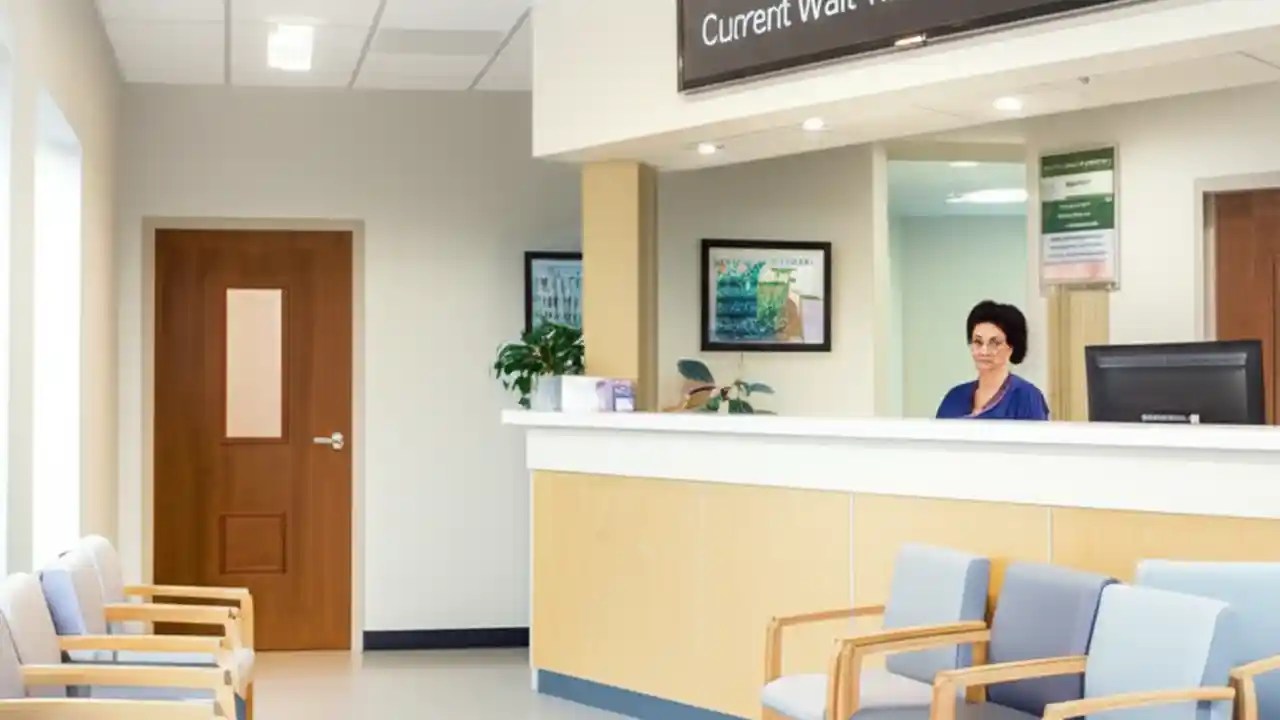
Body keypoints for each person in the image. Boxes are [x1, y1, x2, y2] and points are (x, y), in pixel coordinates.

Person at [936, 300, 1050, 420]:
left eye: (994, 343)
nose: (984, 351)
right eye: (978, 342)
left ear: (1011, 348)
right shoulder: (954, 397)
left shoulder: (1027, 397)